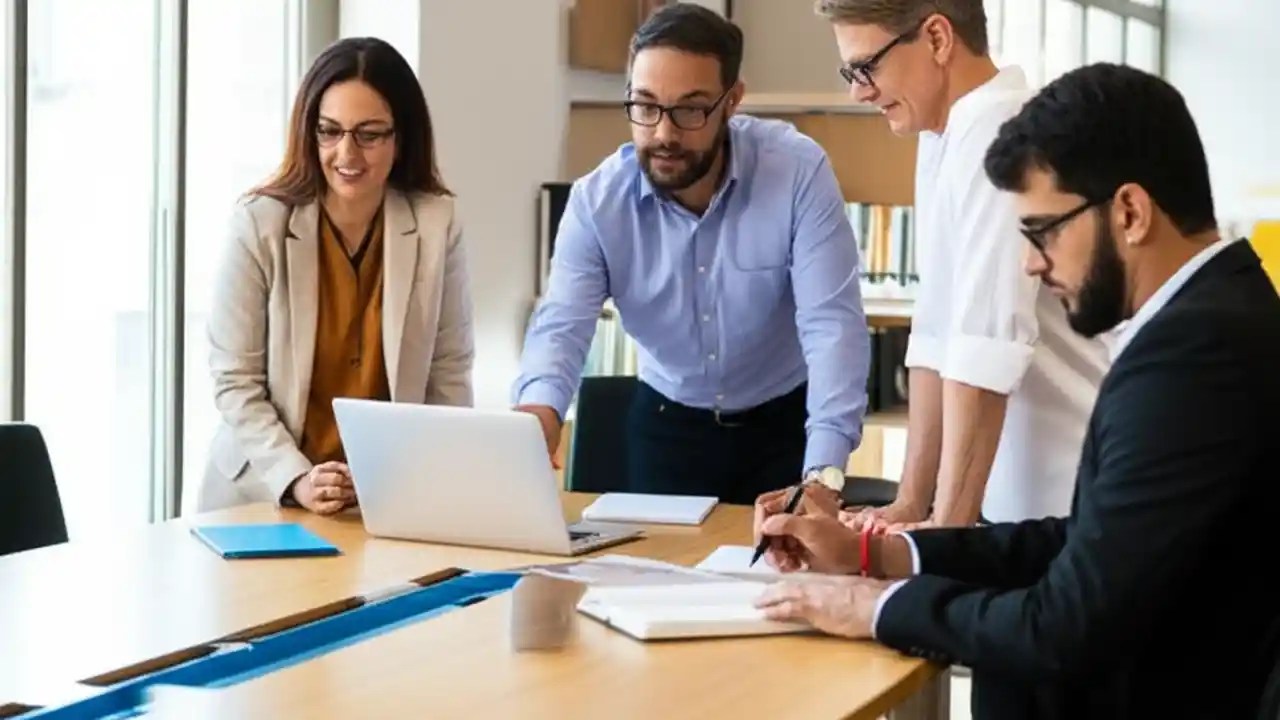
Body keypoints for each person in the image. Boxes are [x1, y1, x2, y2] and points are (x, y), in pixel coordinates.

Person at [752, 63, 1280, 719]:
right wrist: (882, 552)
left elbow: (1066, 625)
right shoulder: (1209, 317)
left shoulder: (1197, 353)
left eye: (1042, 231)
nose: (1031, 261)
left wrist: (877, 607)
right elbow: (1087, 539)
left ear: (1130, 212)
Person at [512, 4, 869, 505]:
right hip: (667, 426)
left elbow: (832, 325)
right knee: (663, 576)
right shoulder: (597, 204)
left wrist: (824, 473)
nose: (663, 133)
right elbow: (560, 327)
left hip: (784, 425)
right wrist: (538, 417)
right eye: (645, 106)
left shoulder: (796, 172)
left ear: (732, 101)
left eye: (690, 109)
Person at [812, 0, 1109, 530]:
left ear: (937, 38)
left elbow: (984, 345)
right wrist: (910, 503)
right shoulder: (943, 133)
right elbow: (936, 331)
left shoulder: (1003, 127)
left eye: (867, 67)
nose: (858, 91)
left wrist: (944, 533)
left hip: (1065, 502)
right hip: (1009, 502)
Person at [197, 37, 473, 514]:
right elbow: (234, 380)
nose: (346, 153)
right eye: (329, 131)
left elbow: (447, 376)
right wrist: (297, 478)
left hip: (384, 499)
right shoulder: (259, 223)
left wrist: (430, 485)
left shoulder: (435, 224)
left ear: (400, 137)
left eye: (369, 134)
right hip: (261, 494)